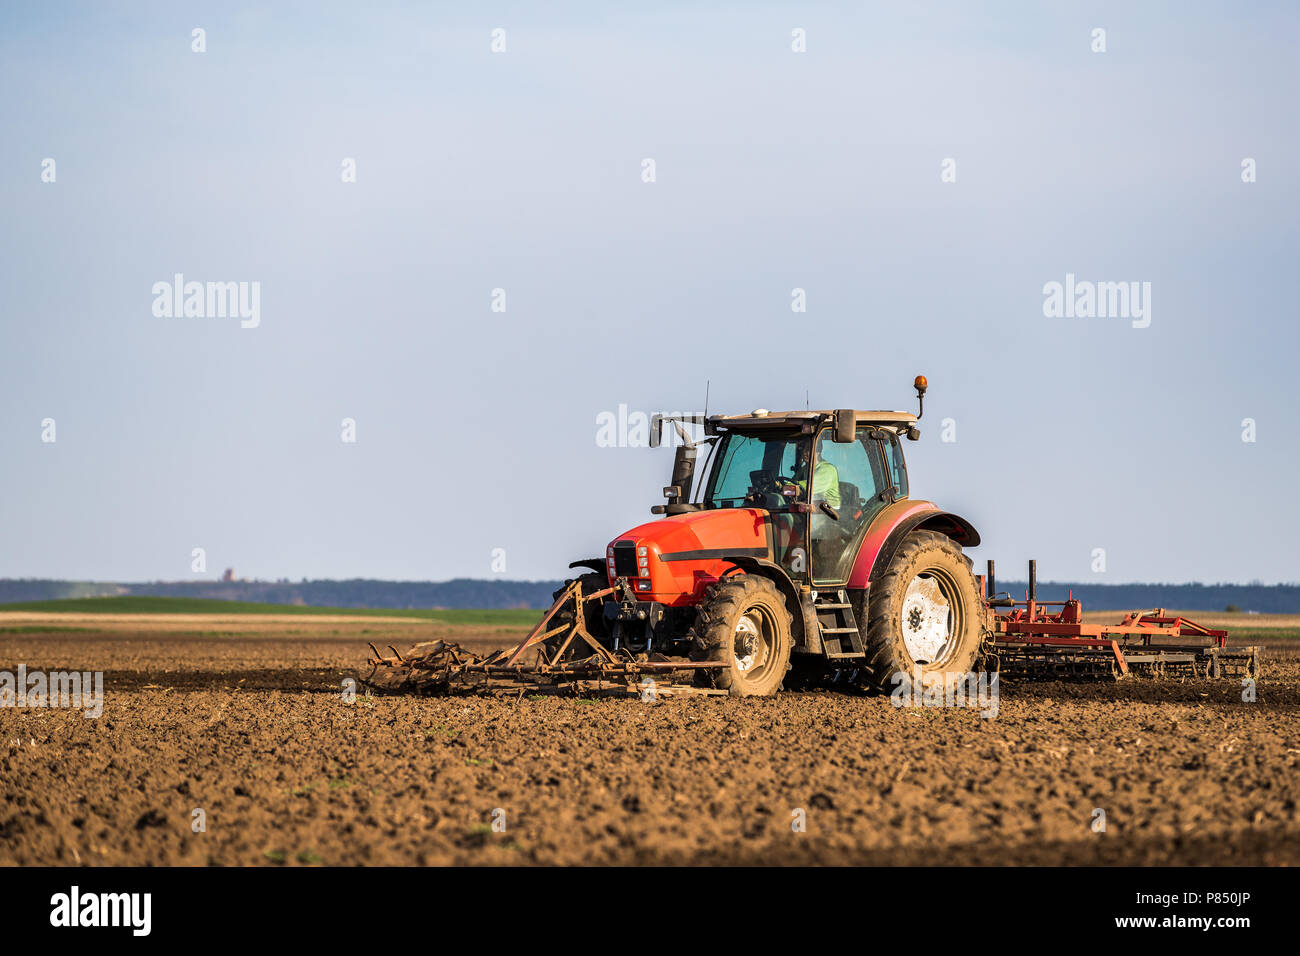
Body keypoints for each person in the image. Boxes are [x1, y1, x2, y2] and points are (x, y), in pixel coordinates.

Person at [792, 440, 840, 510]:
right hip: (812, 506)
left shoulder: (828, 469)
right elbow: (793, 481)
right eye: (802, 449)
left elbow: (809, 486)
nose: (804, 453)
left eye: (808, 449)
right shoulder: (805, 468)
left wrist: (785, 486)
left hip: (829, 511)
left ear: (818, 451)